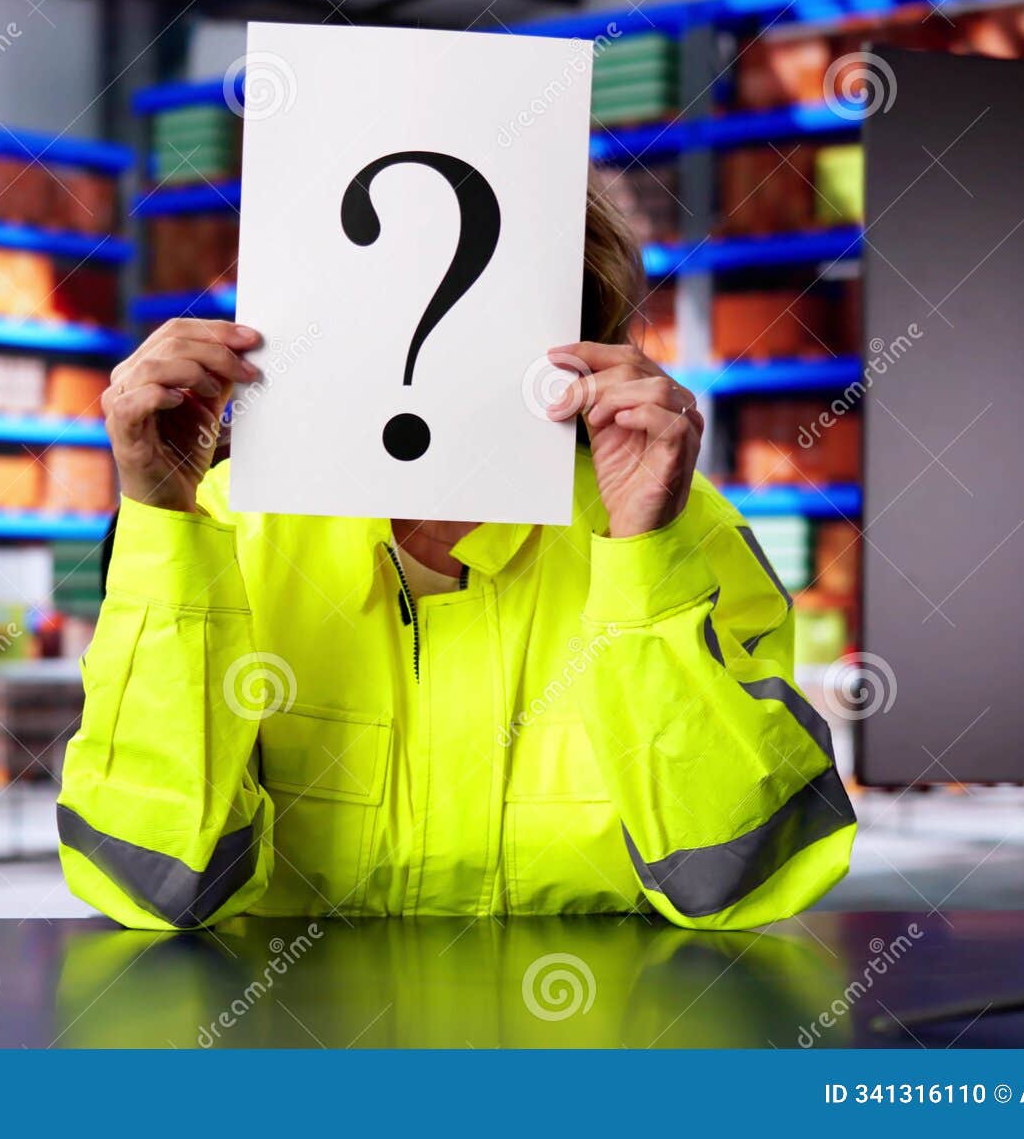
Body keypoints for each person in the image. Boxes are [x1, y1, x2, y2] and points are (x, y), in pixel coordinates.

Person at [57, 185, 856, 930]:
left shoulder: (687, 527)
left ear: (580, 318)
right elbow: (149, 880)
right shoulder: (224, 521)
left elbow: (744, 877)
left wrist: (643, 557)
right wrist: (162, 520)